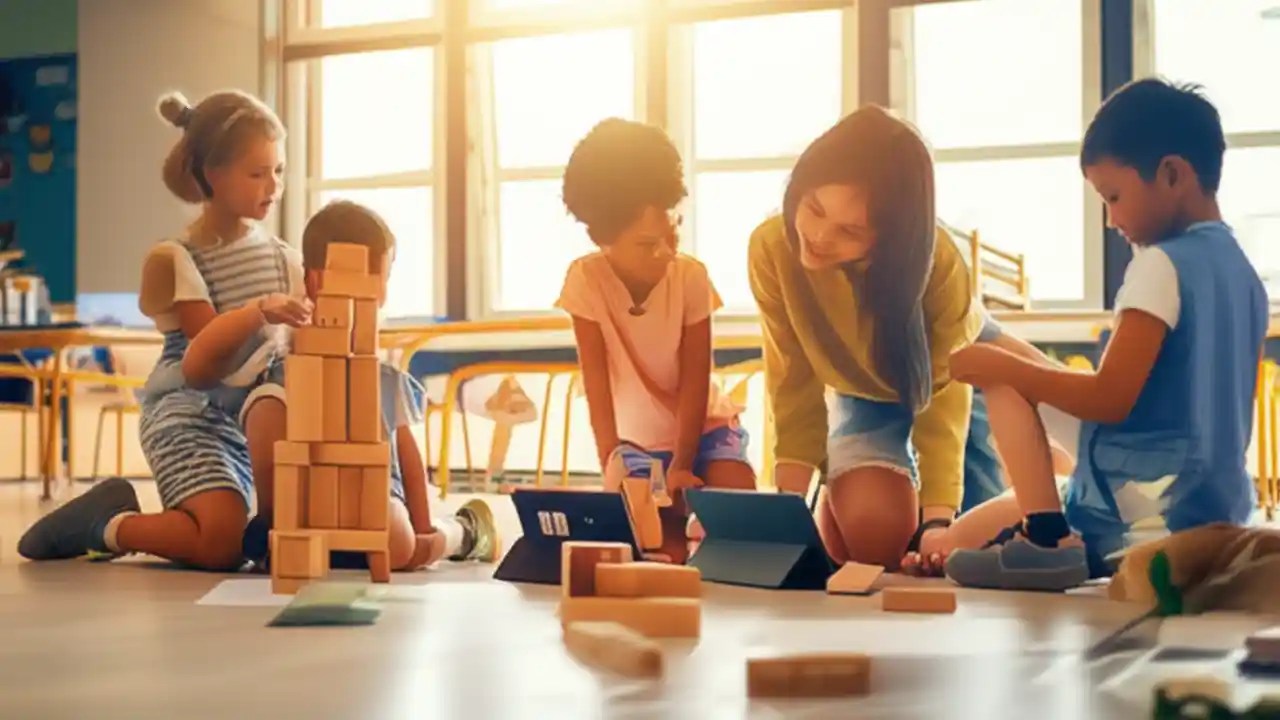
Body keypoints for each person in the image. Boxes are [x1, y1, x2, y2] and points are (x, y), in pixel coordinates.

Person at [942, 78, 1268, 591]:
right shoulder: (1244, 275)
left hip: (1145, 512)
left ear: (1171, 175)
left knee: (1001, 373)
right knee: (950, 541)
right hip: (1215, 506)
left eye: (1113, 197)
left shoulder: (1161, 264)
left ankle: (1048, 541)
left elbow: (1111, 399)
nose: (1112, 219)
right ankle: (1024, 521)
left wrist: (1002, 370)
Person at [18, 90, 310, 568]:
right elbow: (206, 361)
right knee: (222, 545)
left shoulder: (285, 258)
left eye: (278, 170)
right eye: (257, 173)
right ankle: (106, 525)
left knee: (252, 541)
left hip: (252, 423)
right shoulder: (176, 258)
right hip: (190, 413)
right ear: (210, 174)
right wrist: (260, 310)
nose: (272, 186)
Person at [748, 105, 1001, 571]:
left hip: (960, 376)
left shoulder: (939, 266)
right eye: (813, 208)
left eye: (849, 230)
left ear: (890, 238)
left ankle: (1048, 453)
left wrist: (937, 521)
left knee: (979, 549)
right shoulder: (771, 248)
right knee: (874, 543)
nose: (820, 236)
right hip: (861, 388)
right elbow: (792, 380)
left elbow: (946, 399)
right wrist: (786, 512)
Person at [240, 200, 500, 570]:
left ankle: (463, 532)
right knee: (265, 409)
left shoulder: (383, 377)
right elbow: (271, 463)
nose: (380, 290)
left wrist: (423, 527)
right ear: (314, 281)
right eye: (375, 275)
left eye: (384, 278)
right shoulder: (280, 380)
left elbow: (408, 457)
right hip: (308, 504)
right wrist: (274, 520)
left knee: (402, 542)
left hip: (378, 501)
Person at [556, 118, 756, 563]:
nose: (665, 251)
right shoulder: (585, 280)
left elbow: (695, 379)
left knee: (736, 515)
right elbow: (597, 386)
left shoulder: (690, 277)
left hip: (704, 429)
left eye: (674, 231)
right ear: (601, 239)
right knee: (655, 544)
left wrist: (684, 464)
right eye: (648, 243)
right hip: (640, 446)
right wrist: (612, 459)